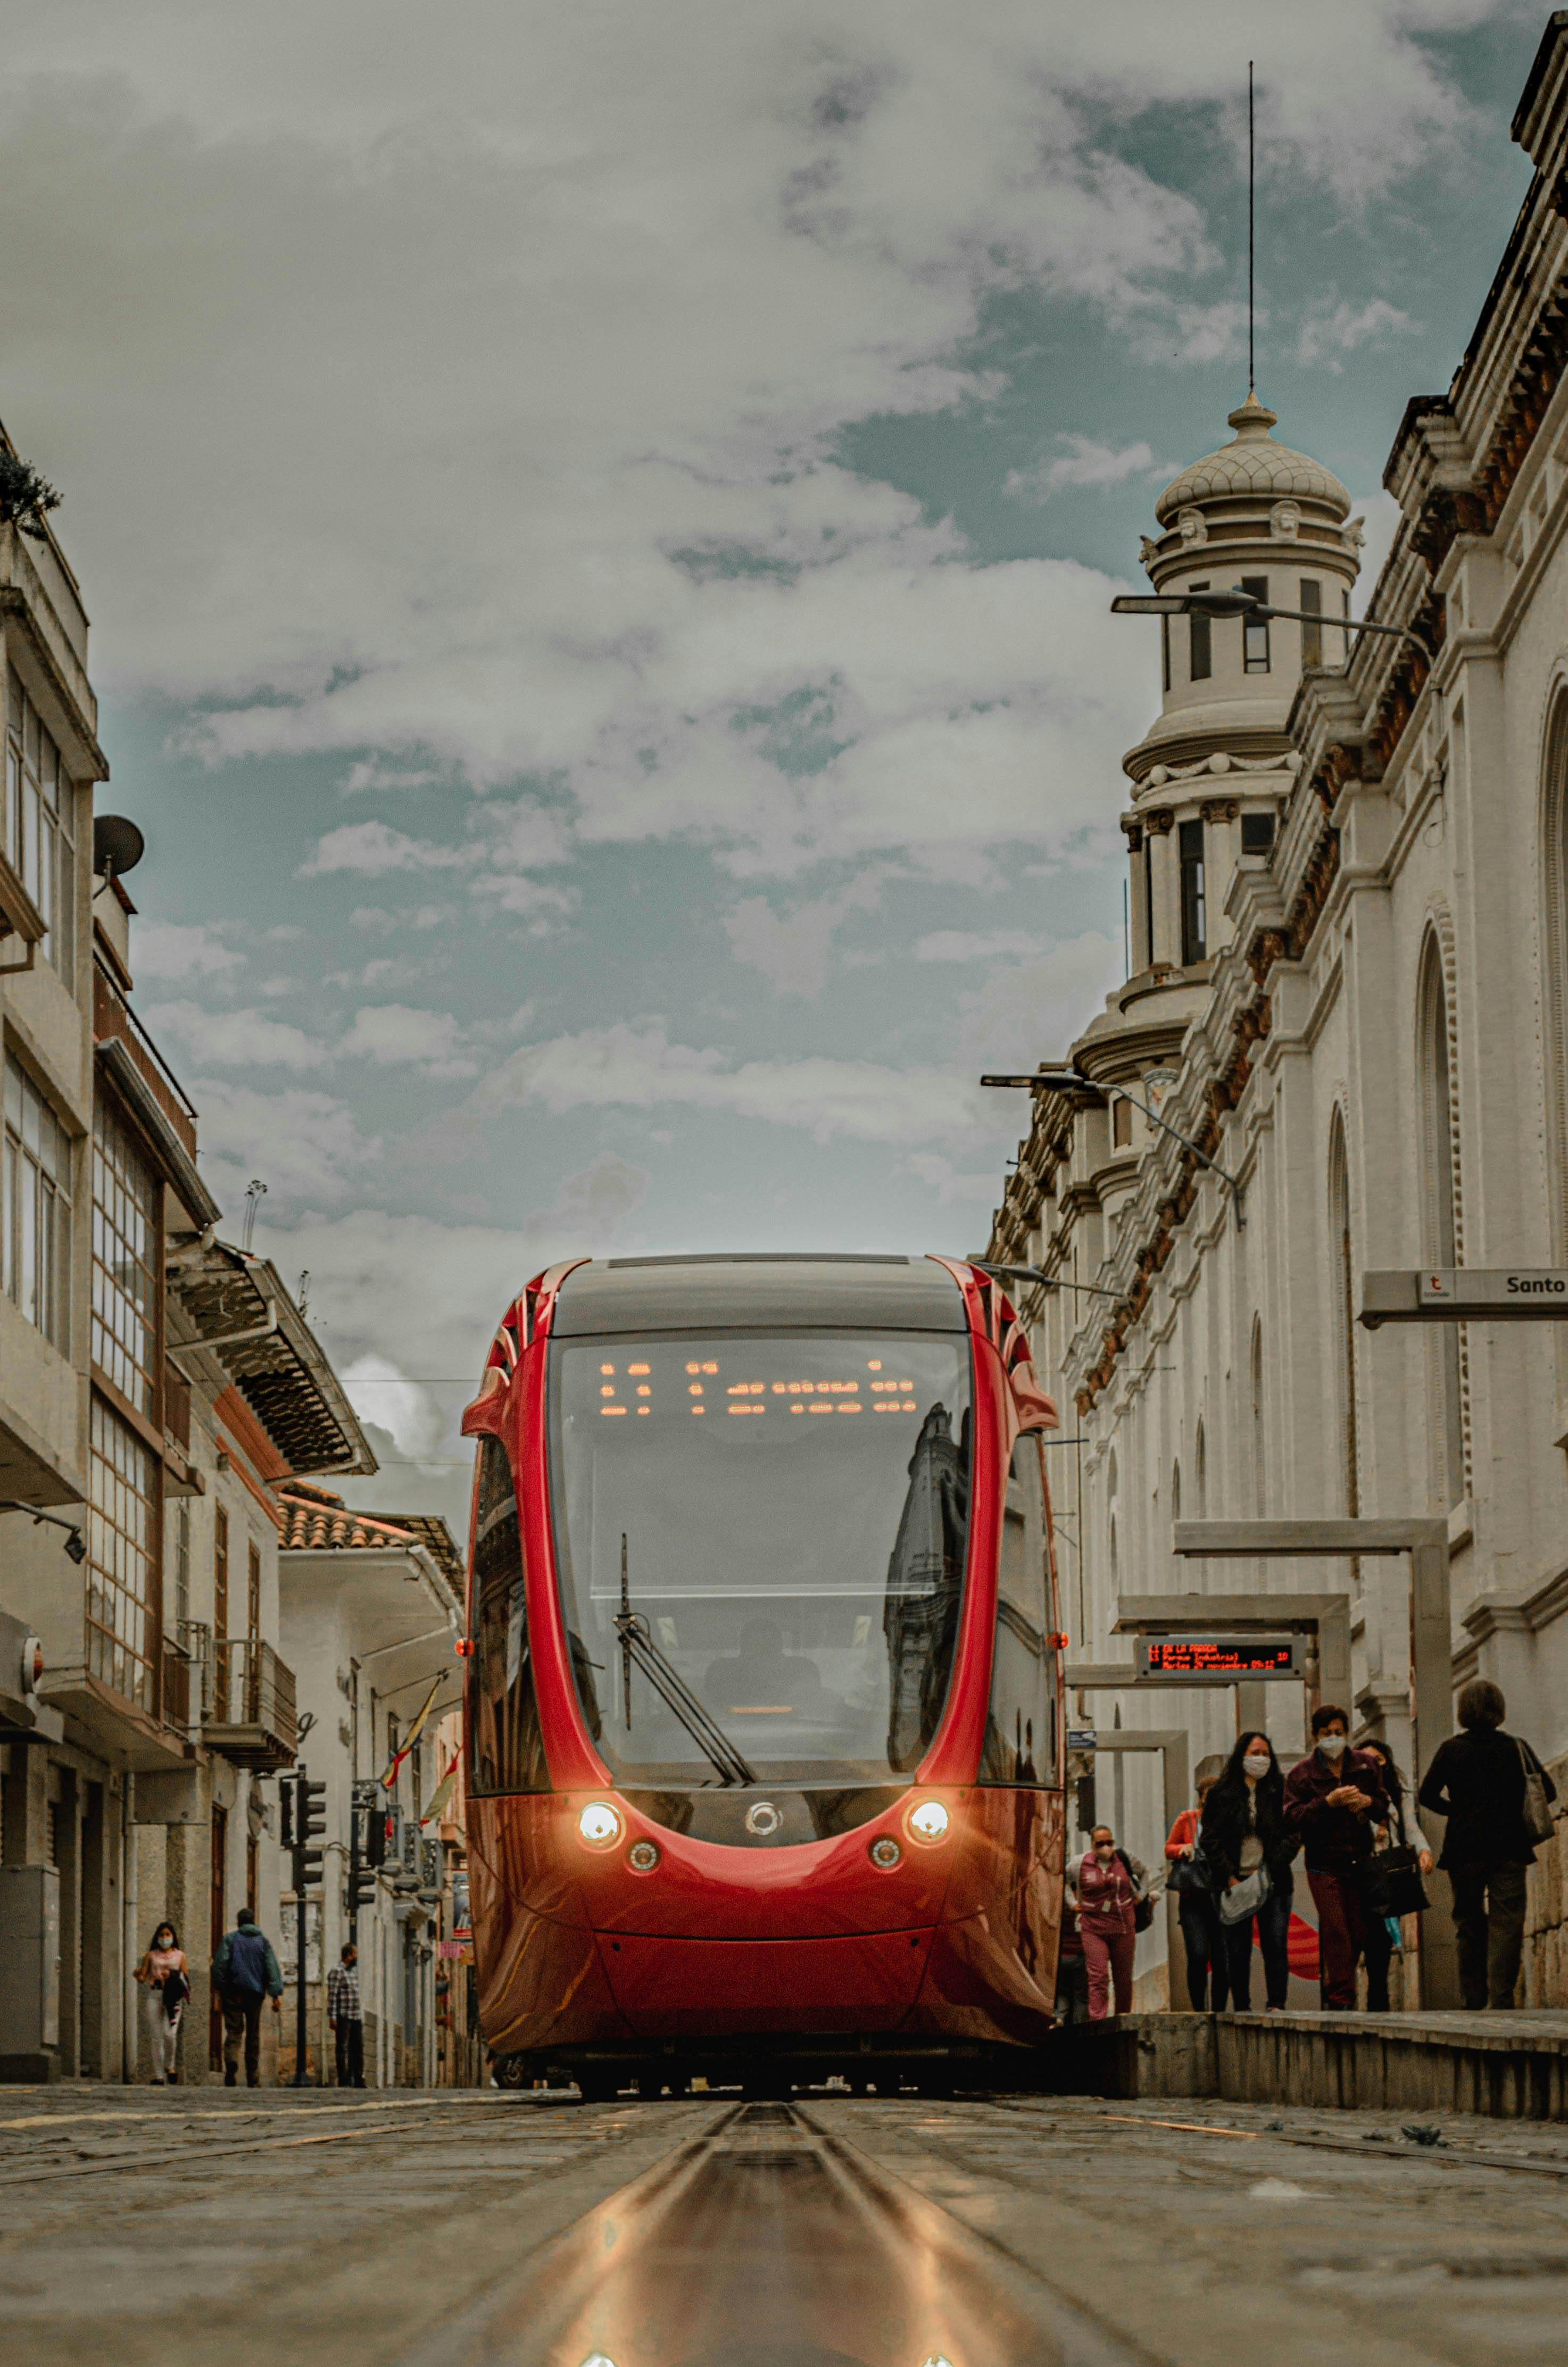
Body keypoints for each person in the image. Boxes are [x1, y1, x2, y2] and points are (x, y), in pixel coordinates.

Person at [1418, 1677, 1557, 2011]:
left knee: (1469, 1921)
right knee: (1507, 1923)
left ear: (1463, 1711)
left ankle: (1473, 1996)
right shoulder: (1516, 1747)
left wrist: (1457, 1811)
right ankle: (1502, 1996)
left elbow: (1427, 1795)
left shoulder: (1451, 1749)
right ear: (1499, 1710)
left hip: (1465, 1848)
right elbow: (1548, 1792)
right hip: (1510, 1847)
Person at [1283, 1705, 1390, 2010]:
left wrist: (1366, 1802)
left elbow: (1383, 1804)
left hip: (1360, 1861)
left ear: (1347, 1733)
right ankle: (1341, 1998)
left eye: (1338, 1733)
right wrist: (1327, 1803)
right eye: (1326, 1733)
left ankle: (1339, 1985)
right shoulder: (1301, 1775)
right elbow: (1291, 1818)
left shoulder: (1366, 1766)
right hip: (1323, 1864)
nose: (1333, 1738)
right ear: (1315, 1736)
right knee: (1336, 1929)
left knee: (1358, 1931)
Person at [1200, 1733, 1299, 2012]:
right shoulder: (1221, 1794)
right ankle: (1242, 2006)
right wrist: (1228, 1876)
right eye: (1255, 1753)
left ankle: (1277, 2004)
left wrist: (1274, 1864)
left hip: (1273, 1881)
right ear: (1242, 1755)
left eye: (1266, 1754)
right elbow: (1210, 1839)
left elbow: (1294, 1833)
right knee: (1237, 1950)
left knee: (1276, 1943)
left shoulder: (1281, 1791)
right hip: (1235, 1882)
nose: (1261, 1759)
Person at [1357, 1736, 1433, 2013]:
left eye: (1378, 1760)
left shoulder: (1397, 1794)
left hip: (1389, 1876)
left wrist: (1423, 1850)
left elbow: (1410, 1827)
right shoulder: (1350, 1793)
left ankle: (1379, 2001)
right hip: (1360, 1875)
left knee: (1381, 1940)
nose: (1373, 1766)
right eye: (1366, 1760)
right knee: (1365, 1936)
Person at [1165, 1754, 1229, 2011]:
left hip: (1222, 1896)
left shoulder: (1228, 1822)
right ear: (1201, 1798)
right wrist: (1183, 1849)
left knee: (1223, 1958)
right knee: (1198, 1954)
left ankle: (1219, 2011)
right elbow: (1169, 1848)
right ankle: (1199, 2011)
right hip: (1194, 1896)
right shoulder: (1188, 1819)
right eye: (1207, 1796)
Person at [1066, 1825, 1149, 2020]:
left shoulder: (1125, 1858)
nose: (1106, 1847)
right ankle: (1098, 2020)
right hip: (1093, 1927)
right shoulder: (1079, 1864)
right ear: (1092, 1845)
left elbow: (1144, 1873)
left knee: (1123, 1979)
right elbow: (1064, 1881)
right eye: (1100, 1844)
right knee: (1099, 1976)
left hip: (1123, 1927)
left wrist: (1142, 1895)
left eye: (1109, 1842)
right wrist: (1072, 1903)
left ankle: (1123, 2018)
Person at [211, 1906, 284, 2087]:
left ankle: (231, 2063)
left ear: (238, 1922)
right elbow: (272, 1968)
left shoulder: (230, 1939)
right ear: (253, 1921)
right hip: (255, 1994)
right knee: (253, 2034)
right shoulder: (263, 1942)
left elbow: (219, 1965)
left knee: (234, 2031)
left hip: (233, 1992)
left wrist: (220, 1987)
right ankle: (253, 2075)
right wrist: (275, 1994)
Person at [133, 1921, 188, 2085]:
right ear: (157, 1938)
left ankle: (170, 2066)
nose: (165, 1938)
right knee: (156, 2037)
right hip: (155, 1995)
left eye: (168, 1935)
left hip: (173, 1997)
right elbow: (143, 1977)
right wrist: (137, 1974)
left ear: (173, 1937)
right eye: (162, 1935)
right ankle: (158, 2075)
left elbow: (185, 1978)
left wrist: (171, 1974)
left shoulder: (180, 1956)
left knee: (169, 2034)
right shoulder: (151, 1955)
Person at [328, 1941, 365, 2087]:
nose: (357, 1957)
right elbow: (332, 1995)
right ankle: (343, 2080)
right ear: (349, 1956)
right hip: (344, 2015)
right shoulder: (337, 1971)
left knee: (358, 2047)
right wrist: (333, 2017)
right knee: (342, 2047)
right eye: (355, 1954)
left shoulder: (353, 1972)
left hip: (356, 2016)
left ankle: (358, 2078)